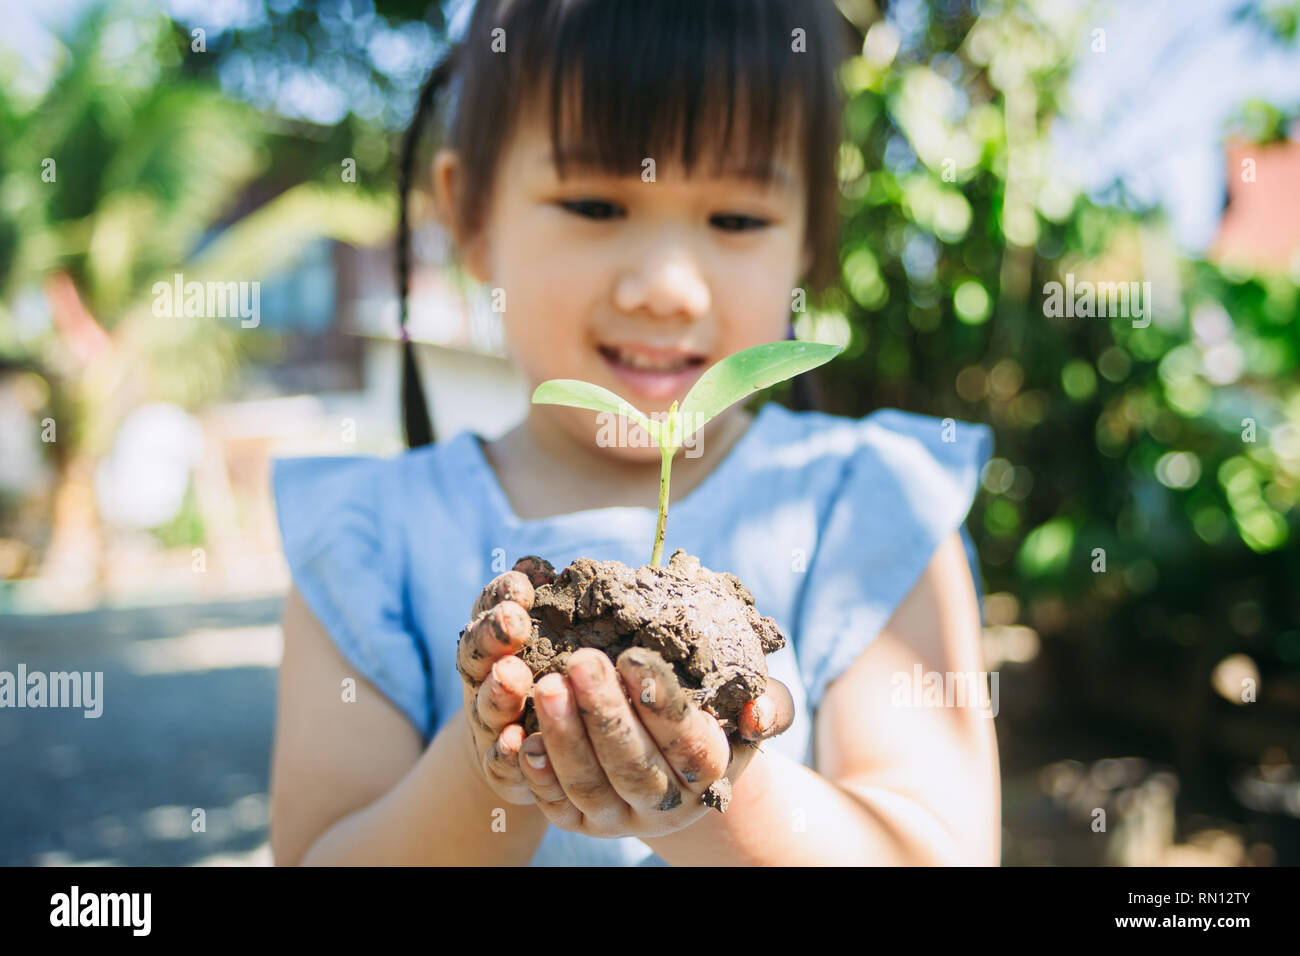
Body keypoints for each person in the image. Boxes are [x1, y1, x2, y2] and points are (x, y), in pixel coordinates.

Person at [268, 0, 1000, 866]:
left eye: (736, 218)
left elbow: (935, 850)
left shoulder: (871, 510)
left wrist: (715, 784)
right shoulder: (370, 541)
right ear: (469, 214)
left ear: (809, 235)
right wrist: (495, 772)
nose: (667, 287)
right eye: (593, 202)